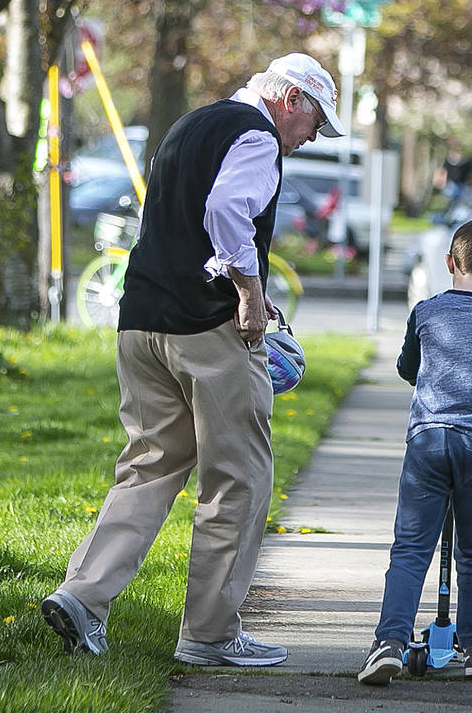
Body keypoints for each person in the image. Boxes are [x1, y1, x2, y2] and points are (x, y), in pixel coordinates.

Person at [42, 53, 344, 666]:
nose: (312, 137)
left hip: (140, 321)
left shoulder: (191, 123)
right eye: (316, 122)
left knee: (150, 464)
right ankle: (209, 634)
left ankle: (83, 596)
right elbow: (227, 211)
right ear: (291, 100)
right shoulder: (258, 137)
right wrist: (252, 295)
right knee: (240, 478)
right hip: (208, 328)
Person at [357, 217, 472, 686]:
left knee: (411, 548)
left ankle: (390, 642)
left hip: (428, 441)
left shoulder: (425, 311)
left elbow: (406, 368)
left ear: (449, 263)